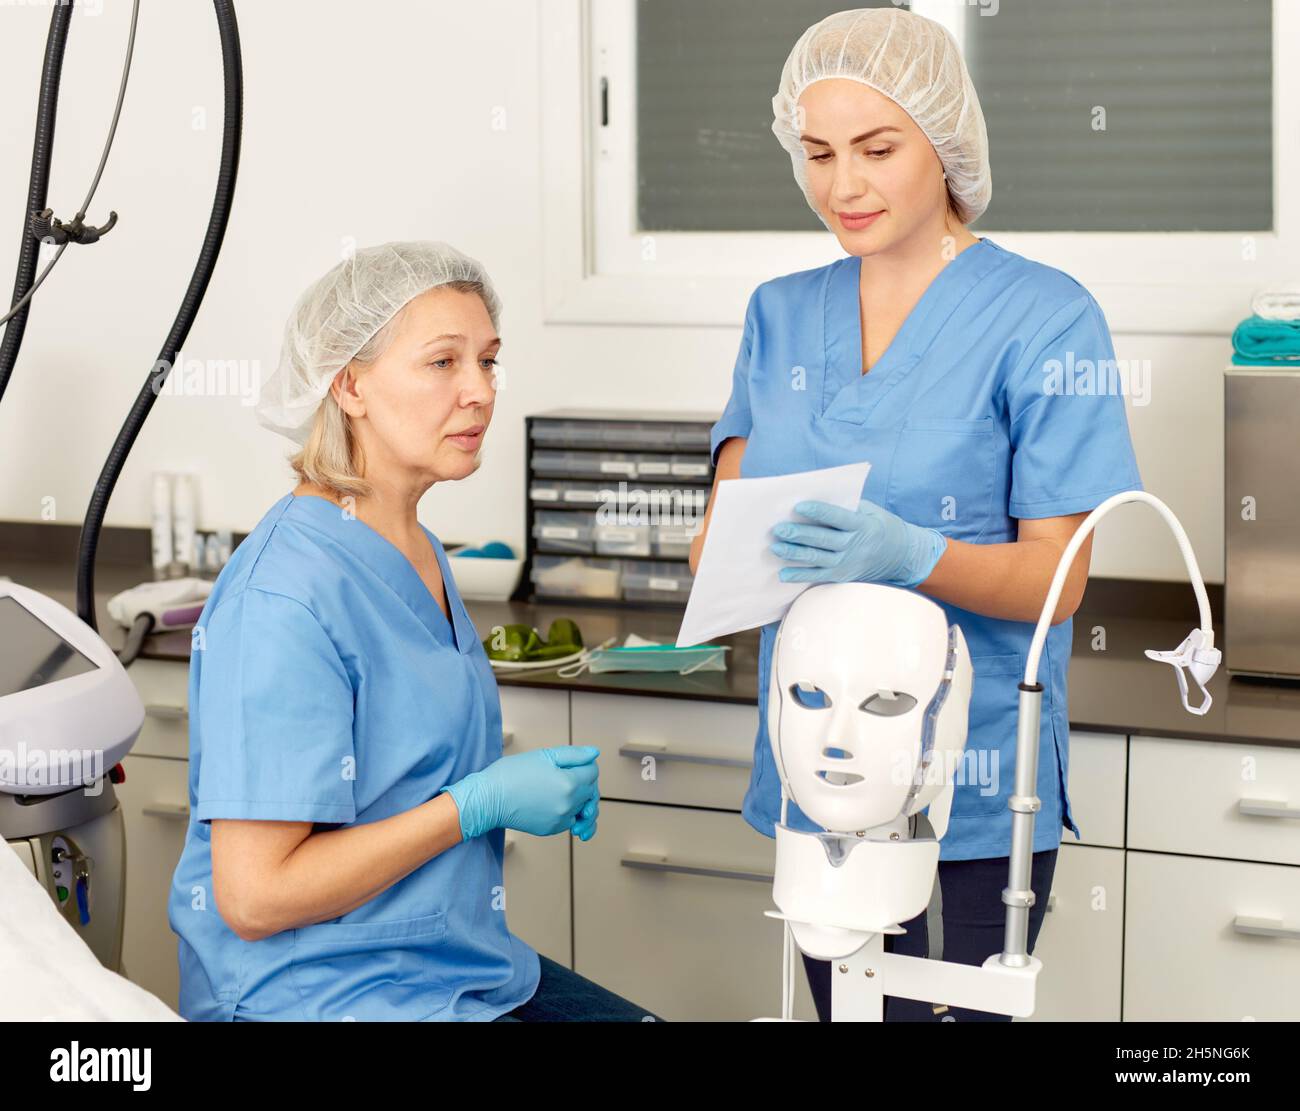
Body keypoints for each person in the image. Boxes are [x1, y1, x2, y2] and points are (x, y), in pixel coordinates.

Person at [689, 8, 1143, 1022]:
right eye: (815, 153)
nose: (840, 185)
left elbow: (1058, 583)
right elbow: (718, 539)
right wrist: (735, 558)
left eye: (875, 149)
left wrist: (911, 553)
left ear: (942, 143)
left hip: (969, 787)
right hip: (815, 777)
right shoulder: (777, 312)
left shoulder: (1043, 316)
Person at [168, 241, 656, 1021]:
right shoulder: (285, 597)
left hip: (453, 967)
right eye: (443, 363)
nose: (480, 392)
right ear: (349, 382)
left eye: (488, 362)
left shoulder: (415, 546)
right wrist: (476, 805)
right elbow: (255, 897)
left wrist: (501, 795)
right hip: (322, 995)